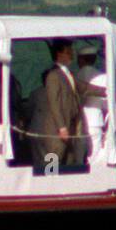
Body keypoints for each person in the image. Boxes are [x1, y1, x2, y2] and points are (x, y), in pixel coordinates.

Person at [27, 38, 86, 167]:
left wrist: (107, 91)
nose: (72, 54)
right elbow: (54, 103)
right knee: (52, 164)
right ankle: (49, 185)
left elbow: (82, 87)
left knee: (68, 162)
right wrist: (62, 127)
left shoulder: (66, 74)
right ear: (60, 54)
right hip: (55, 133)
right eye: (68, 51)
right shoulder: (54, 76)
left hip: (68, 129)